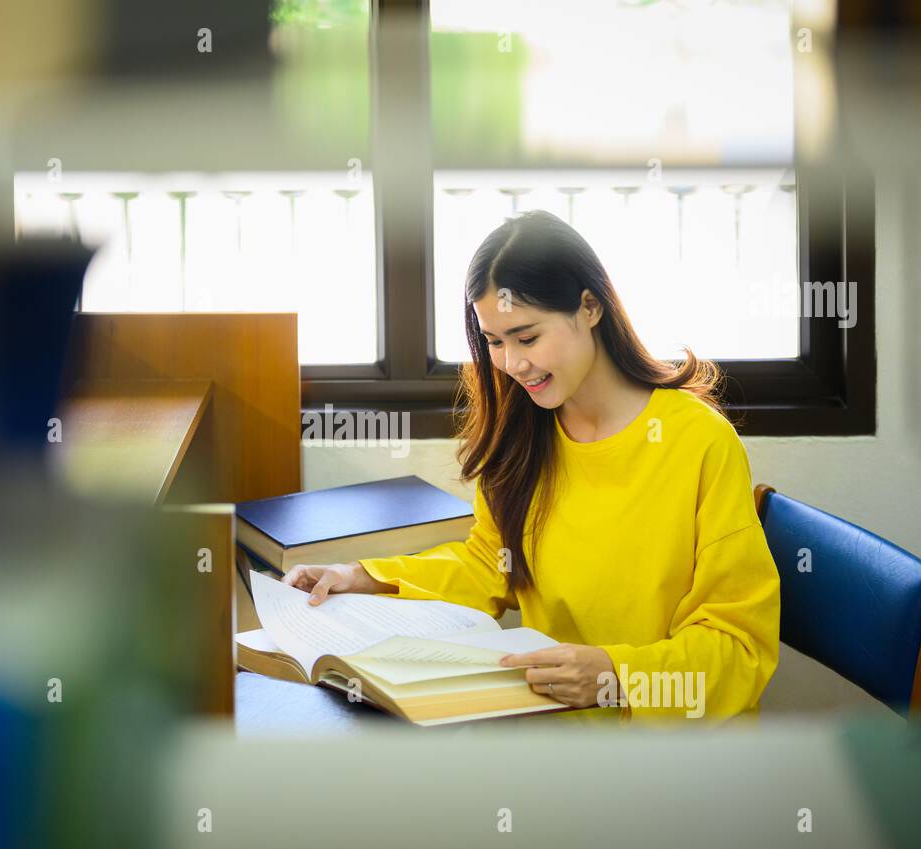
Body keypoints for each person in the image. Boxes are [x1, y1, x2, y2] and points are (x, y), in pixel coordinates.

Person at [281, 210, 780, 722]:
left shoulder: (697, 442)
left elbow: (739, 647)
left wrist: (616, 676)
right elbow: (488, 566)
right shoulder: (525, 433)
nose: (512, 364)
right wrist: (363, 577)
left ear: (590, 307)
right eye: (494, 342)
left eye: (527, 337)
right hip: (550, 727)